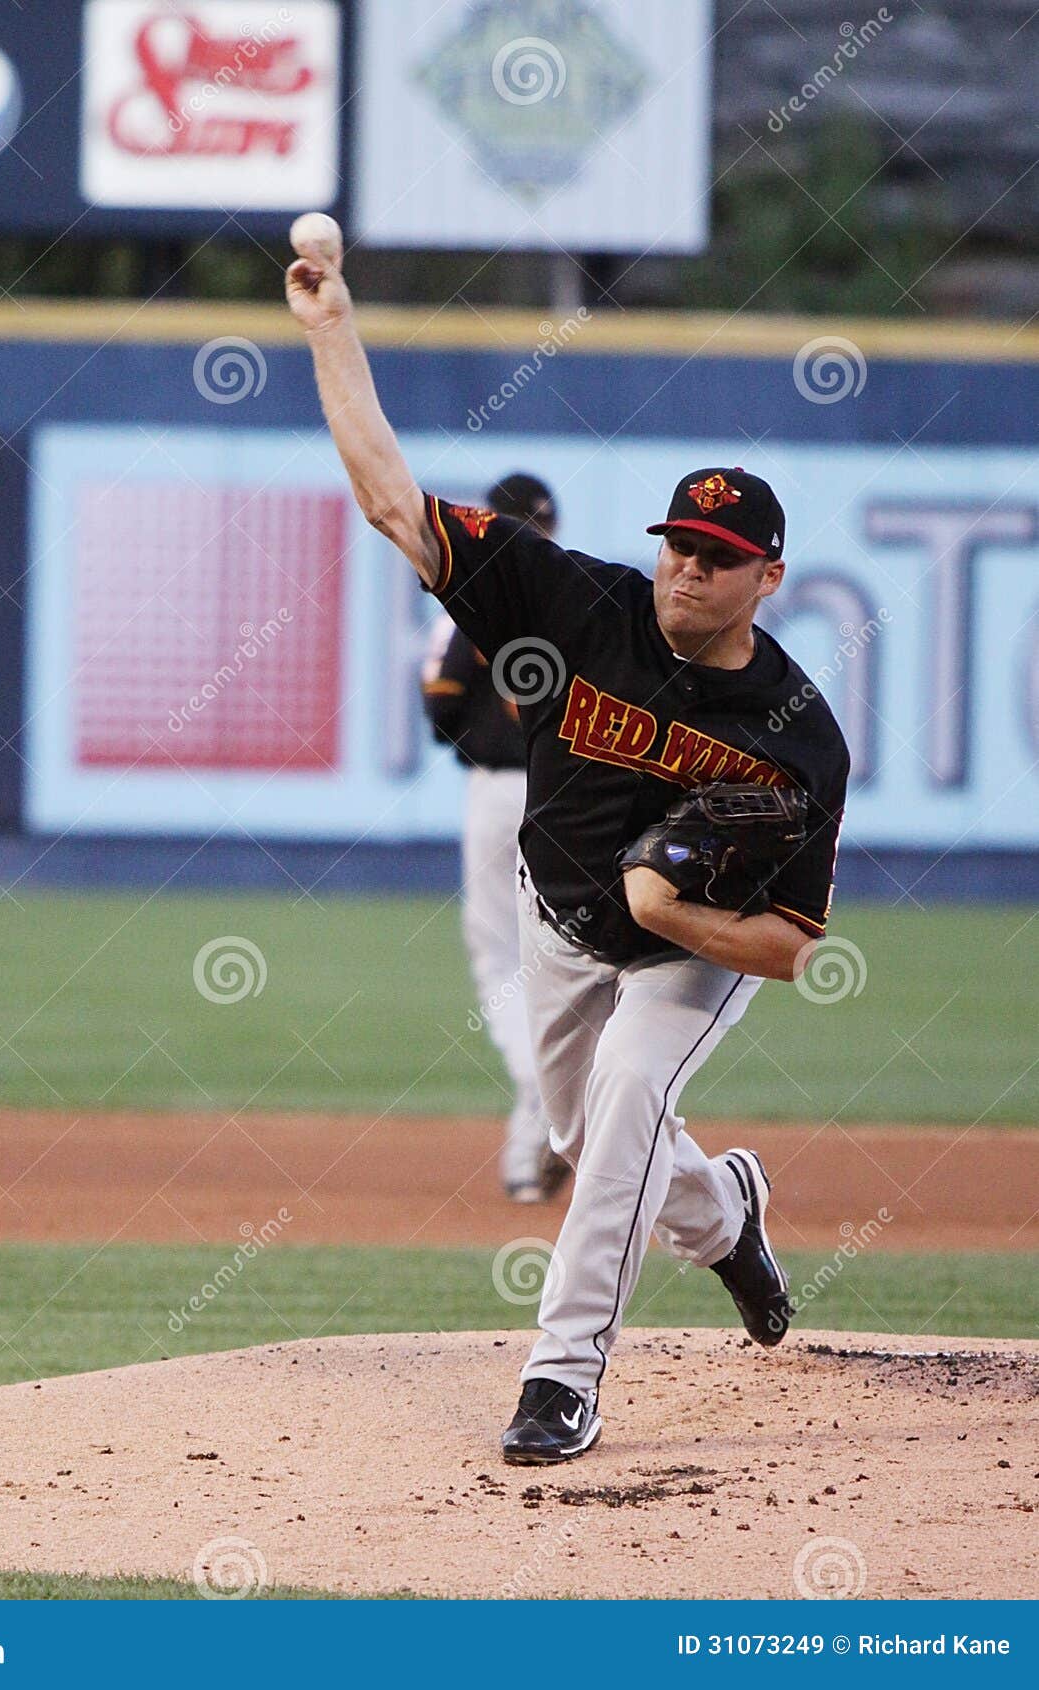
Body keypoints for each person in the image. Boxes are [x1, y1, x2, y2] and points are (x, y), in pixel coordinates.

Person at [286, 233, 849, 1467]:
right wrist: (331, 325)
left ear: (769, 577)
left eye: (716, 558)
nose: (685, 569)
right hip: (555, 918)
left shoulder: (795, 738)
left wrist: (672, 913)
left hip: (688, 960)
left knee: (636, 1092)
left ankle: (560, 1378)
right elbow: (392, 499)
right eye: (676, 545)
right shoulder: (571, 598)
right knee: (586, 1140)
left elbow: (793, 948)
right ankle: (728, 1214)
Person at [421, 473, 568, 1202]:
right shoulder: (581, 596)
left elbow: (440, 701)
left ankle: (548, 1097)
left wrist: (473, 731)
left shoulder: (472, 594)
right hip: (569, 799)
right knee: (565, 957)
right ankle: (528, 1153)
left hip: (497, 791)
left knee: (501, 960)